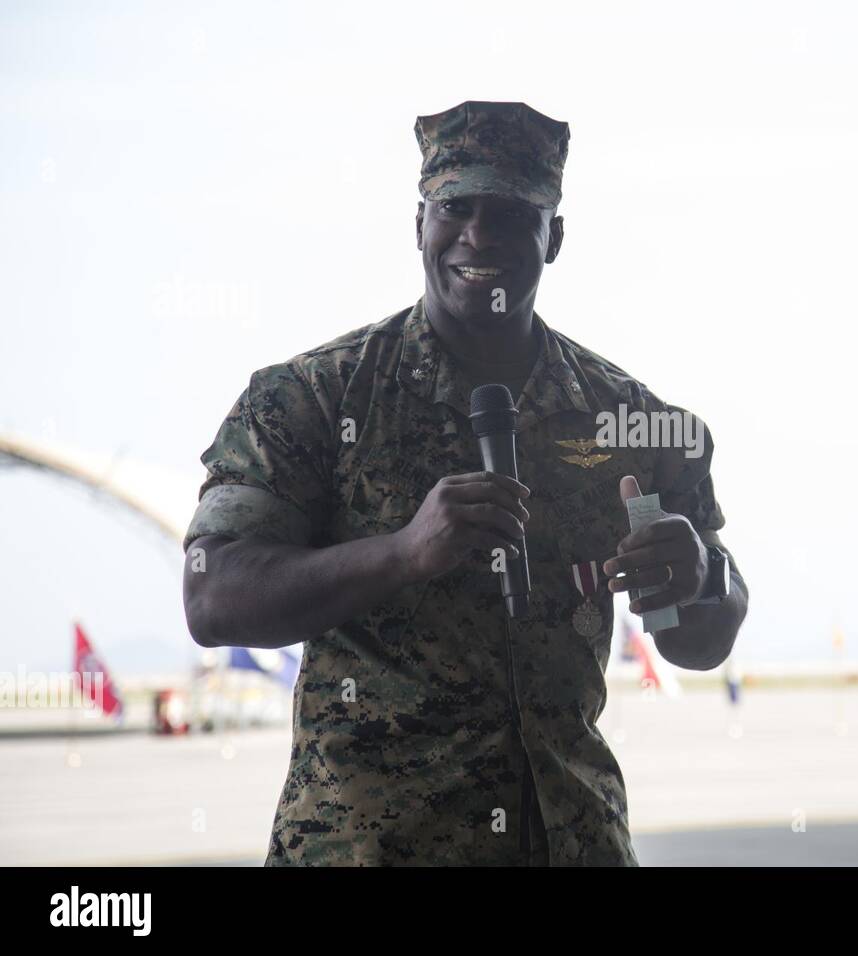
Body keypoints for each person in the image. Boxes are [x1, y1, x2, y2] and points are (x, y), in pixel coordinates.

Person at [181, 100, 748, 866]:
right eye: (456, 207)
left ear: (554, 238)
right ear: (419, 223)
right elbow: (212, 596)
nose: (480, 235)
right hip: (371, 850)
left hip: (569, 841)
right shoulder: (312, 400)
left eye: (514, 214)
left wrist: (701, 574)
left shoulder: (631, 420)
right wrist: (402, 553)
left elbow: (701, 640)